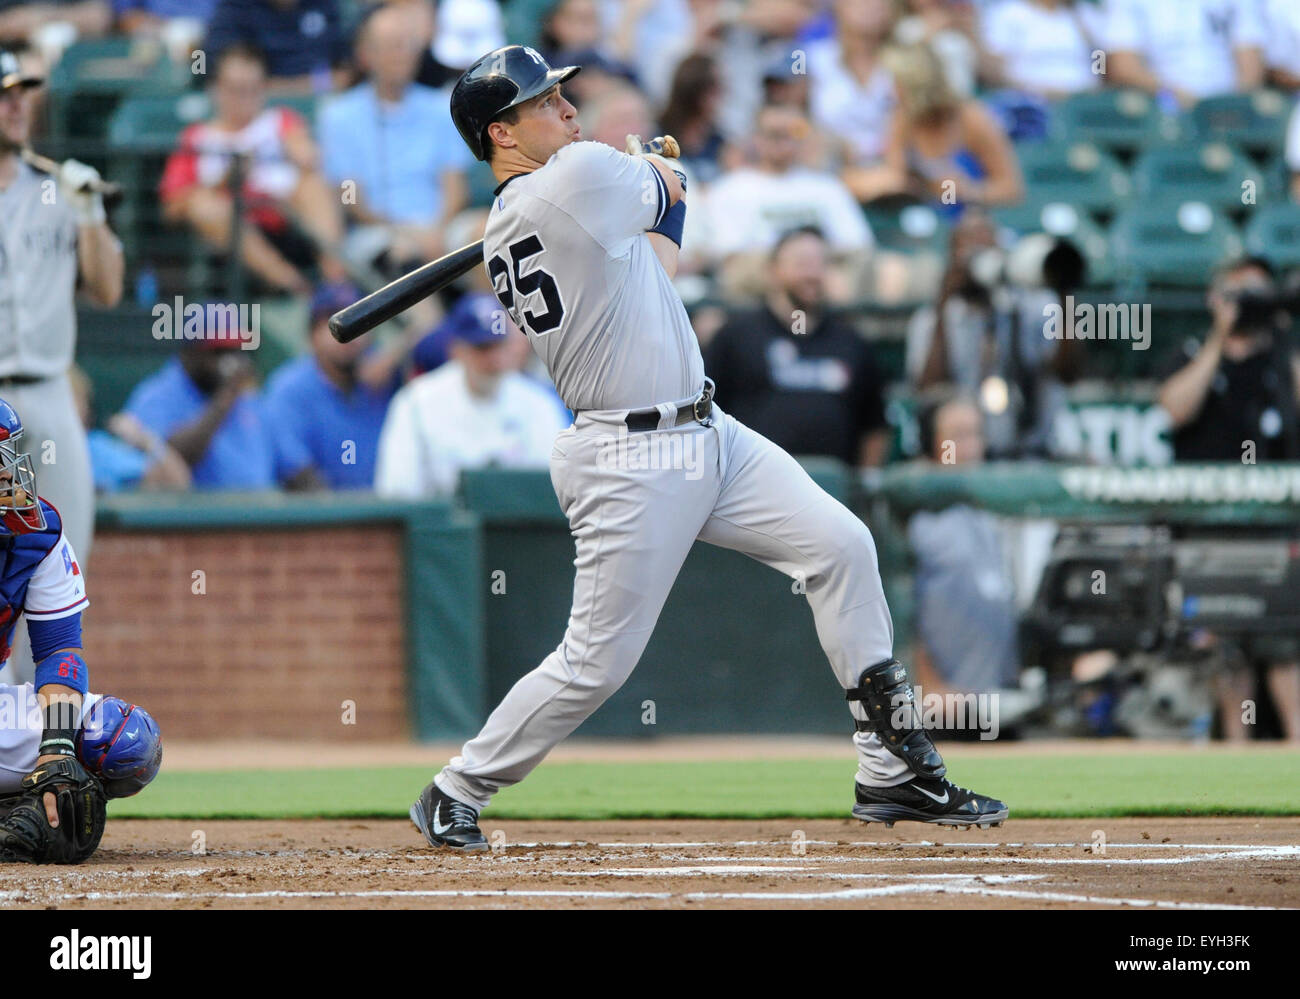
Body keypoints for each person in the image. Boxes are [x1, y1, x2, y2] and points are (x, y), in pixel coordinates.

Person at [408, 46, 1007, 852]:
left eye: (561, 97)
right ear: (500, 133)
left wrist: (650, 180)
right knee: (596, 662)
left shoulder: (546, 206)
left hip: (708, 431)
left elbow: (660, 252)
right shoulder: (578, 178)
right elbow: (671, 188)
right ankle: (458, 786)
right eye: (545, 103)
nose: (568, 110)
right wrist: (651, 166)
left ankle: (891, 767)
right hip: (630, 455)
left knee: (842, 546)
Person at [0, 46, 122, 684]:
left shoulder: (56, 187)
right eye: (5, 93)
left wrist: (89, 214)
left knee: (61, 558)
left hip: (47, 389)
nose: (17, 104)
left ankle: (34, 724)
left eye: (23, 92)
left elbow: (107, 289)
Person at [0, 398, 162, 865]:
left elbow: (59, 651)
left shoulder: (36, 532)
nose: (9, 475)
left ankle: (21, 819)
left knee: (123, 738)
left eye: (9, 457)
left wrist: (55, 750)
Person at [1157, 256, 1300, 743]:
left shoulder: (1281, 361)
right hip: (1211, 528)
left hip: (1275, 525)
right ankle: (1235, 752)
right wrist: (1223, 335)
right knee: (1224, 644)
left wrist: (1279, 328)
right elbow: (1175, 409)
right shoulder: (1195, 350)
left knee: (1285, 644)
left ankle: (1294, 747)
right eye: (1240, 293)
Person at [160, 42, 346, 296]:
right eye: (236, 90)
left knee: (313, 184)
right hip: (233, 239)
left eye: (252, 89)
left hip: (290, 223)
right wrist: (225, 182)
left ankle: (336, 281)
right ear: (217, 89)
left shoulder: (280, 120)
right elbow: (172, 208)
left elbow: (308, 156)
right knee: (204, 205)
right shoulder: (197, 137)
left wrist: (300, 153)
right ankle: (295, 286)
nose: (245, 98)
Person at [702, 226, 890, 468]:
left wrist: (866, 486)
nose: (812, 274)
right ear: (773, 271)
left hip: (833, 492)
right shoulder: (735, 337)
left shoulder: (852, 342)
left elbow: (874, 426)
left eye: (820, 263)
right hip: (753, 485)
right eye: (802, 263)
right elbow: (705, 416)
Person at [318, 4, 471, 283]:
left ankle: (496, 322)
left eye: (407, 45)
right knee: (397, 254)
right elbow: (350, 198)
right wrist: (406, 233)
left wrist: (436, 230)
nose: (402, 55)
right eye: (391, 46)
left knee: (487, 235)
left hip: (440, 227)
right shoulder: (338, 115)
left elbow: (455, 187)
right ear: (366, 55)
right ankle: (431, 326)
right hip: (377, 232)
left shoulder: (441, 107)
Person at [375, 291, 567, 499]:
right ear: (456, 349)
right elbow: (398, 491)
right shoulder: (415, 403)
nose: (494, 359)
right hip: (444, 528)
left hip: (522, 526)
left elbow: (558, 490)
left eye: (498, 346)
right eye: (482, 348)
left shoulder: (539, 402)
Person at [701, 103, 873, 300]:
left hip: (826, 284)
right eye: (775, 134)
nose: (784, 142)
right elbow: (730, 257)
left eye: (794, 133)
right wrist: (794, 269)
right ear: (756, 139)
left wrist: (812, 267)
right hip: (761, 291)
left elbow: (856, 245)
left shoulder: (827, 186)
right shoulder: (729, 189)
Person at [262, 283, 399, 491]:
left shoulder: (385, 379)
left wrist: (399, 357)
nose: (350, 334)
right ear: (312, 335)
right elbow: (298, 475)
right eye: (335, 325)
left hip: (383, 512)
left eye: (360, 323)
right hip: (318, 518)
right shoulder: (290, 388)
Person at [876, 43, 1024, 216]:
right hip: (924, 219)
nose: (891, 93)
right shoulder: (901, 119)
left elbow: (1011, 189)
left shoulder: (971, 118)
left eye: (896, 84)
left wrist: (967, 191)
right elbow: (897, 177)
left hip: (974, 220)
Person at [122, 331, 278, 491]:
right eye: (219, 352)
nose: (230, 361)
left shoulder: (249, 398)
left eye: (234, 351)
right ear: (190, 352)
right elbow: (168, 461)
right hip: (191, 512)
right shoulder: (155, 397)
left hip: (259, 510)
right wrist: (224, 400)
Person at [1103, 0, 1265, 109]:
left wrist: (1235, 104)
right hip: (1161, 103)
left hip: (1226, 107)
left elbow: (1250, 59)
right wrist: (1172, 94)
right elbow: (1122, 66)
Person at [202, 0, 349, 94]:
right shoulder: (234, 8)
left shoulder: (326, 5)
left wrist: (277, 88)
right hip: (253, 113)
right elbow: (203, 67)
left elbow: (346, 74)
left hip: (321, 104)